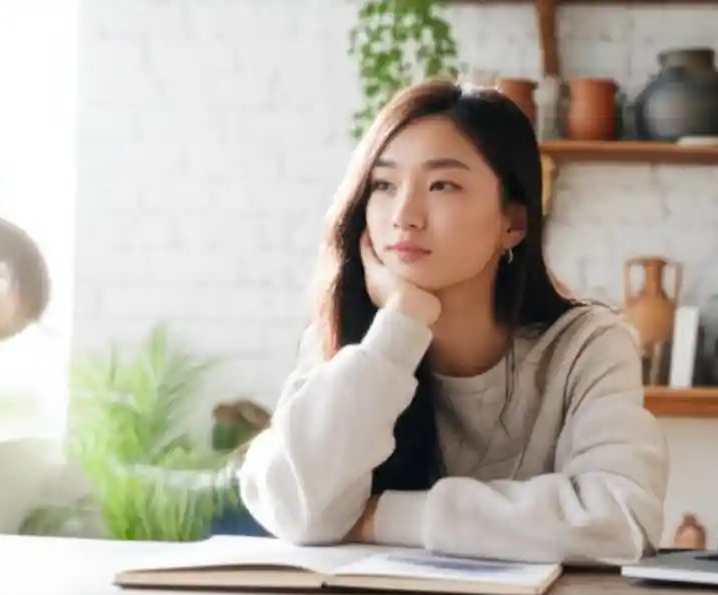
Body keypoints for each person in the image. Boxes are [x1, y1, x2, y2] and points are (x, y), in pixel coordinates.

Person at [237, 79, 669, 565]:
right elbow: (295, 510)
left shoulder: (586, 347)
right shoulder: (352, 340)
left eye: (443, 184)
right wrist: (400, 325)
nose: (404, 215)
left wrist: (382, 517)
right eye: (383, 184)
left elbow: (620, 521)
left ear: (513, 223)